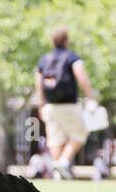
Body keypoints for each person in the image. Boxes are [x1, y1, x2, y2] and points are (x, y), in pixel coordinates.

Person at [34, 26, 97, 180]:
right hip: (69, 105)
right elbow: (81, 76)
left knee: (55, 140)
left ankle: (57, 173)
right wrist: (91, 97)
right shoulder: (72, 57)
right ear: (66, 40)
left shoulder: (44, 59)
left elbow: (38, 84)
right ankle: (63, 162)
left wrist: (41, 105)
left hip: (50, 106)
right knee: (80, 134)